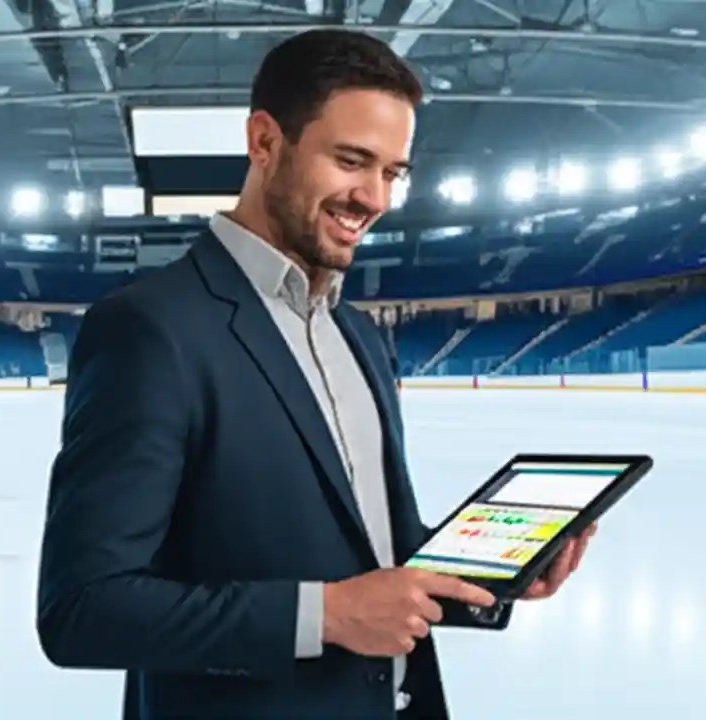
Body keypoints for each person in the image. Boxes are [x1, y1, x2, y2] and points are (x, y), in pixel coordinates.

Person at [36, 28, 594, 719]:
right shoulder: (151, 329)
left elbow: (375, 552)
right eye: (353, 160)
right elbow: (83, 608)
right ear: (265, 142)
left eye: (393, 172)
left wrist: (486, 578)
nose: (375, 197)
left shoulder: (356, 332)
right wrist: (322, 616)